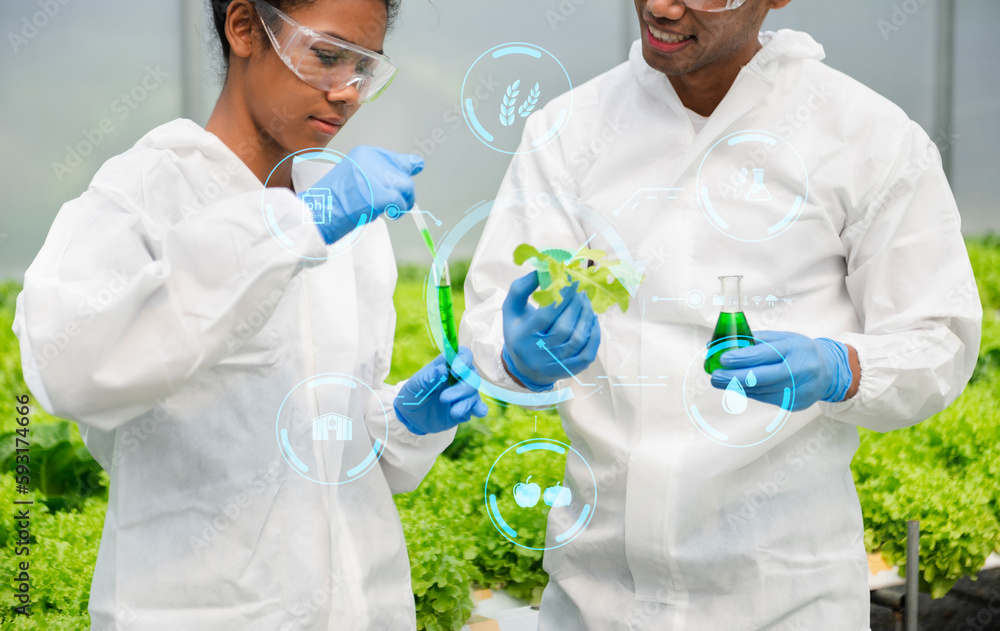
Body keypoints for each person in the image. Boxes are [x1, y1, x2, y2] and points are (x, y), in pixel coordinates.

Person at [460, 0, 982, 629]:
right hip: (594, 590)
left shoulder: (864, 135)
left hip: (782, 594)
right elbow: (492, 312)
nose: (661, 6)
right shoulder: (571, 129)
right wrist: (515, 355)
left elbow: (938, 337)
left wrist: (842, 366)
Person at [13, 0, 487, 628]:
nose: (347, 92)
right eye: (327, 56)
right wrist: (296, 228)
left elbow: (324, 438)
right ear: (243, 27)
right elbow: (68, 369)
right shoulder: (145, 194)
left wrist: (402, 420)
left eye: (364, 68)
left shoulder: (349, 216)